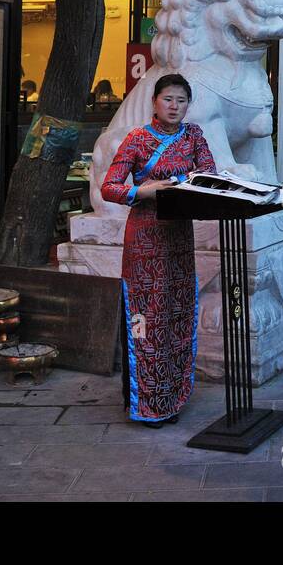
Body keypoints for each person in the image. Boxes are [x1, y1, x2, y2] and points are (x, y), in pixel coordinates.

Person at [100, 74, 216, 427]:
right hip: (145, 241)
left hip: (179, 238)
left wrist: (180, 183)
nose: (174, 106)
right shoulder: (137, 139)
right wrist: (143, 192)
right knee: (145, 319)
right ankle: (145, 403)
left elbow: (209, 172)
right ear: (155, 101)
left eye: (181, 100)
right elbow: (109, 188)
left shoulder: (193, 135)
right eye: (168, 99)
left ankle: (172, 396)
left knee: (176, 314)